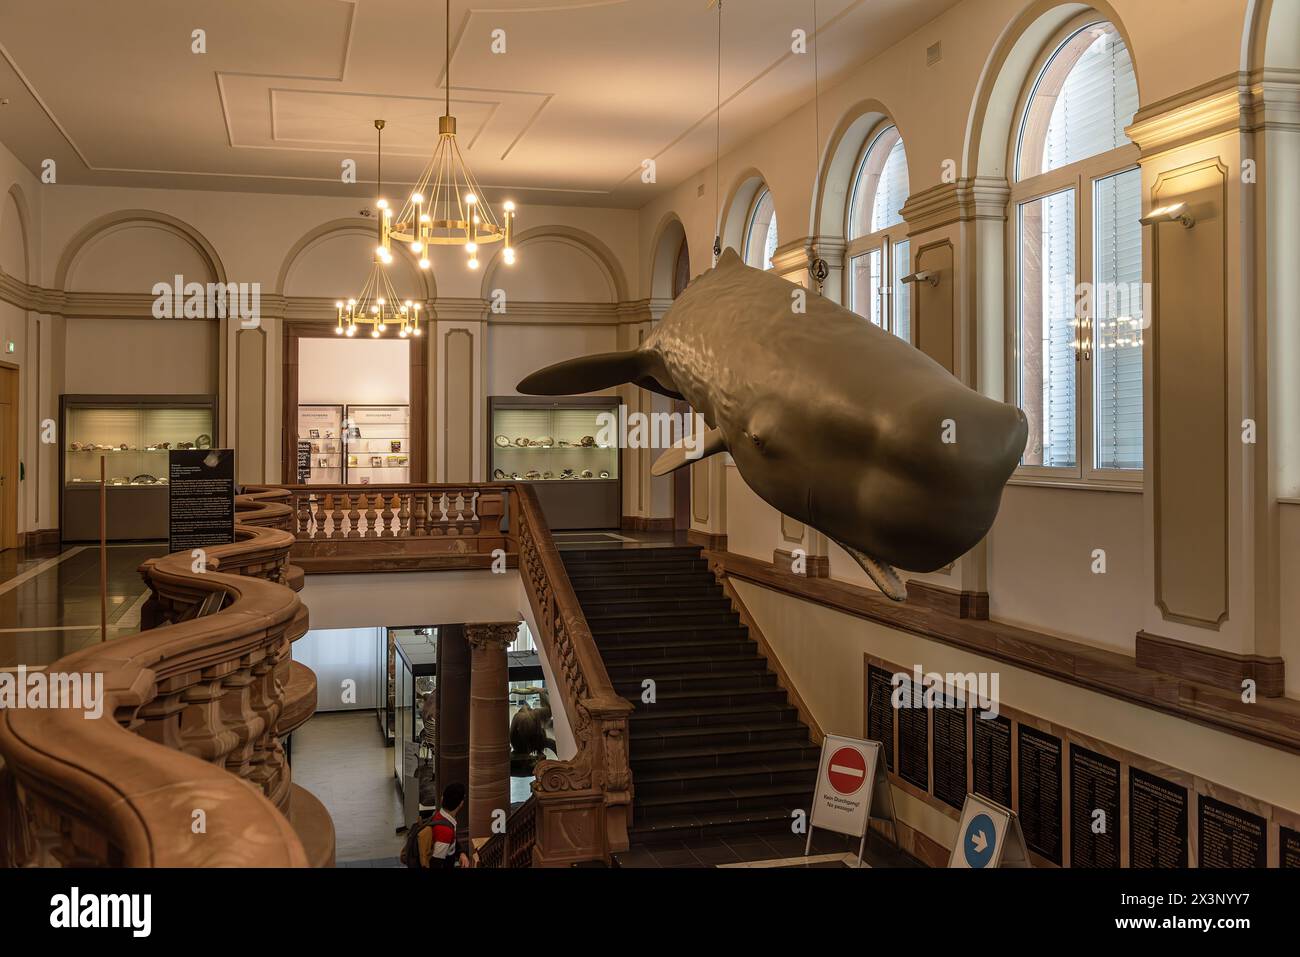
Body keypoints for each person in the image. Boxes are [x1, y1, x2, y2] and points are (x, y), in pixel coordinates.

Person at [418, 782, 470, 869]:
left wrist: (461, 853)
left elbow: (452, 841)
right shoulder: (445, 831)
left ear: (442, 799)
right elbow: (436, 864)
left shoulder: (439, 816)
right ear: (461, 804)